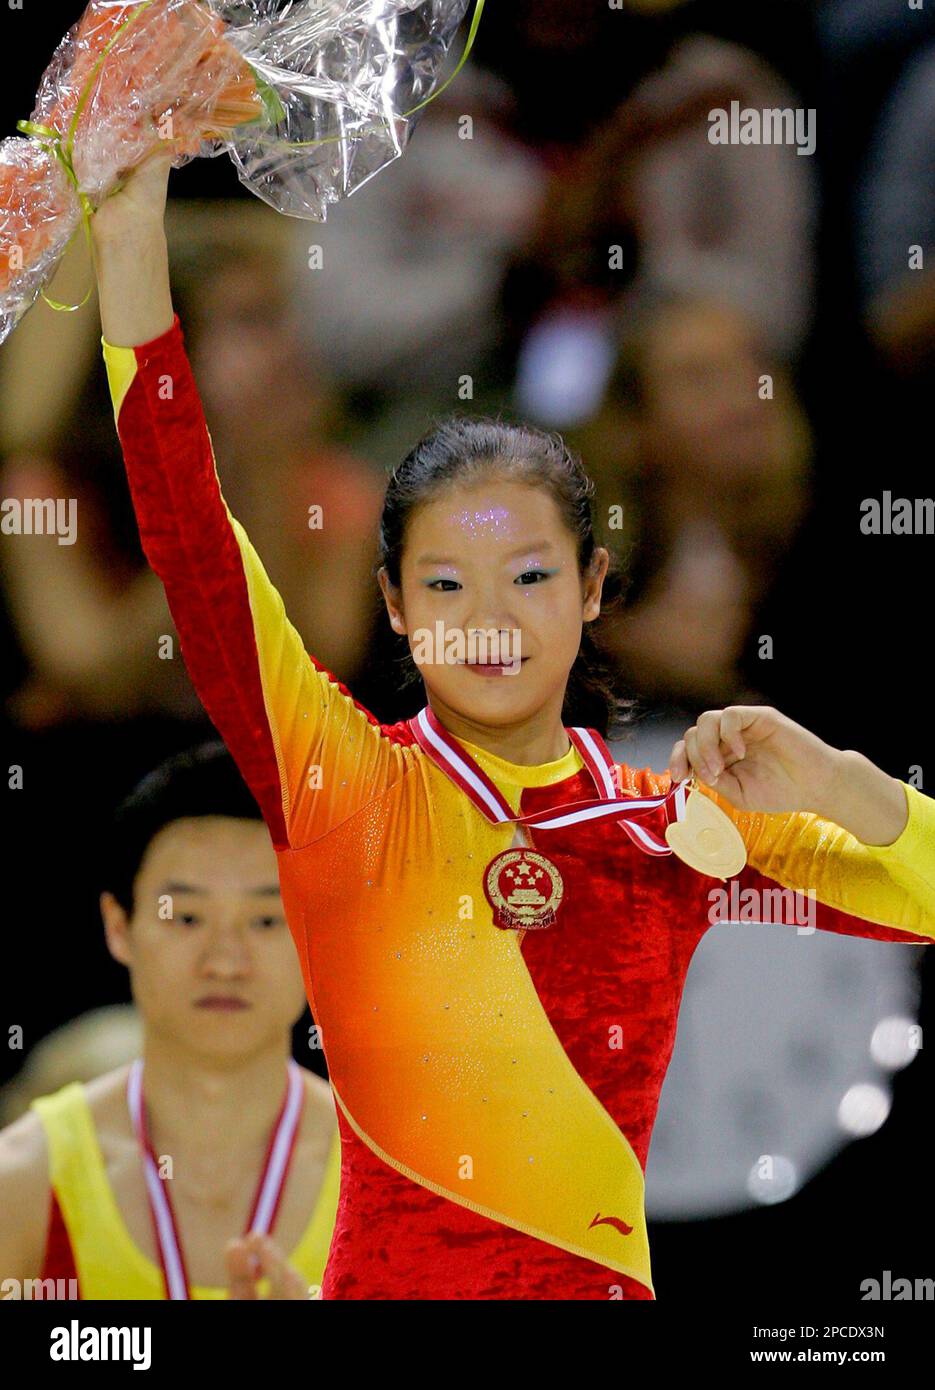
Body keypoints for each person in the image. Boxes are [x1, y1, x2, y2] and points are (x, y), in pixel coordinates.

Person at [87, 146, 935, 1301]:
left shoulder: (669, 827)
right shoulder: (345, 784)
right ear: (392, 604)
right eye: (444, 585)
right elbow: (188, 530)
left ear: (590, 587)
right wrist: (131, 234)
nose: (486, 621)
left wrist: (836, 777)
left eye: (528, 579)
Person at [0, 743, 339, 1300]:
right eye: (186, 917)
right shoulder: (26, 1183)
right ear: (118, 927)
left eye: (266, 919)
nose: (226, 962)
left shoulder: (393, 1182)